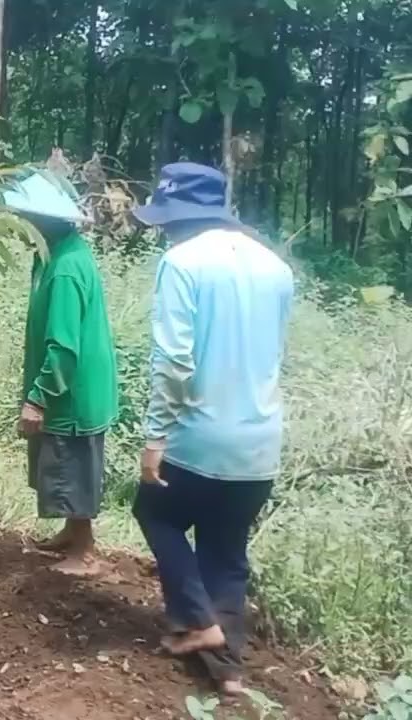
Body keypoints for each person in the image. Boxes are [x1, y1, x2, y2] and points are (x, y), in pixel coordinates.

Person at [131, 163, 294, 696]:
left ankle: (199, 622)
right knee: (227, 547)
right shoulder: (275, 266)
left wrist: (155, 439)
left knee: (154, 511)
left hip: (199, 437)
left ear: (178, 218)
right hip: (259, 444)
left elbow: (174, 360)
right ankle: (228, 670)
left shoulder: (181, 263)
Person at [6, 173, 118, 576]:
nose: (16, 224)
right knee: (64, 465)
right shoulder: (54, 254)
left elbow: (64, 347)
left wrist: (38, 397)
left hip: (72, 393)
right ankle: (73, 534)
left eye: (21, 217)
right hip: (71, 390)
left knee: (70, 465)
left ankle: (84, 553)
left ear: (42, 220)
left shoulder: (67, 267)